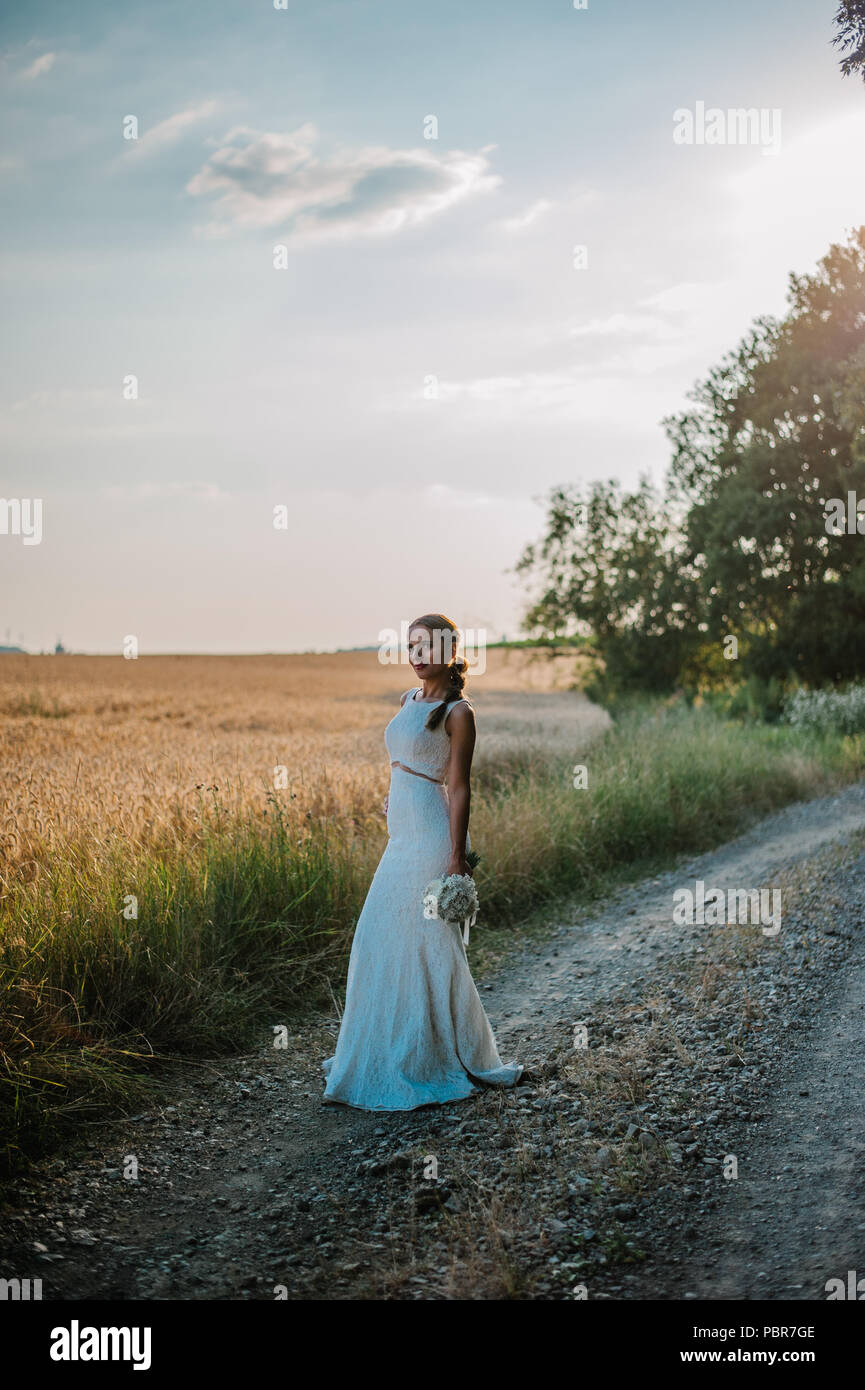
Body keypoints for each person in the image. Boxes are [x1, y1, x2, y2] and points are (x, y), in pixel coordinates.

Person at [322, 612, 523, 1110]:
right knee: (377, 935)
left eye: (426, 647)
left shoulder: (459, 712)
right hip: (401, 833)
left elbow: (458, 786)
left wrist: (457, 856)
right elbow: (408, 763)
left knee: (429, 941)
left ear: (449, 653)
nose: (416, 655)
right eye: (410, 646)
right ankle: (385, 1050)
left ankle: (437, 1057)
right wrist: (398, 793)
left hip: (433, 838)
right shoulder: (409, 700)